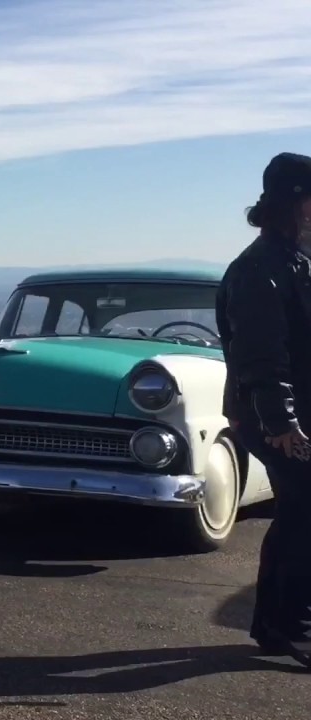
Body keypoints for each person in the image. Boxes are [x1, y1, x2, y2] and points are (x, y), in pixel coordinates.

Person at [216, 151, 311, 668]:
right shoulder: (259, 269)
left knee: (301, 515)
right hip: (276, 417)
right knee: (302, 516)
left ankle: (278, 625)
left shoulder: (293, 260)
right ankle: (290, 625)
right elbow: (261, 354)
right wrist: (282, 423)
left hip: (294, 413)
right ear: (295, 202)